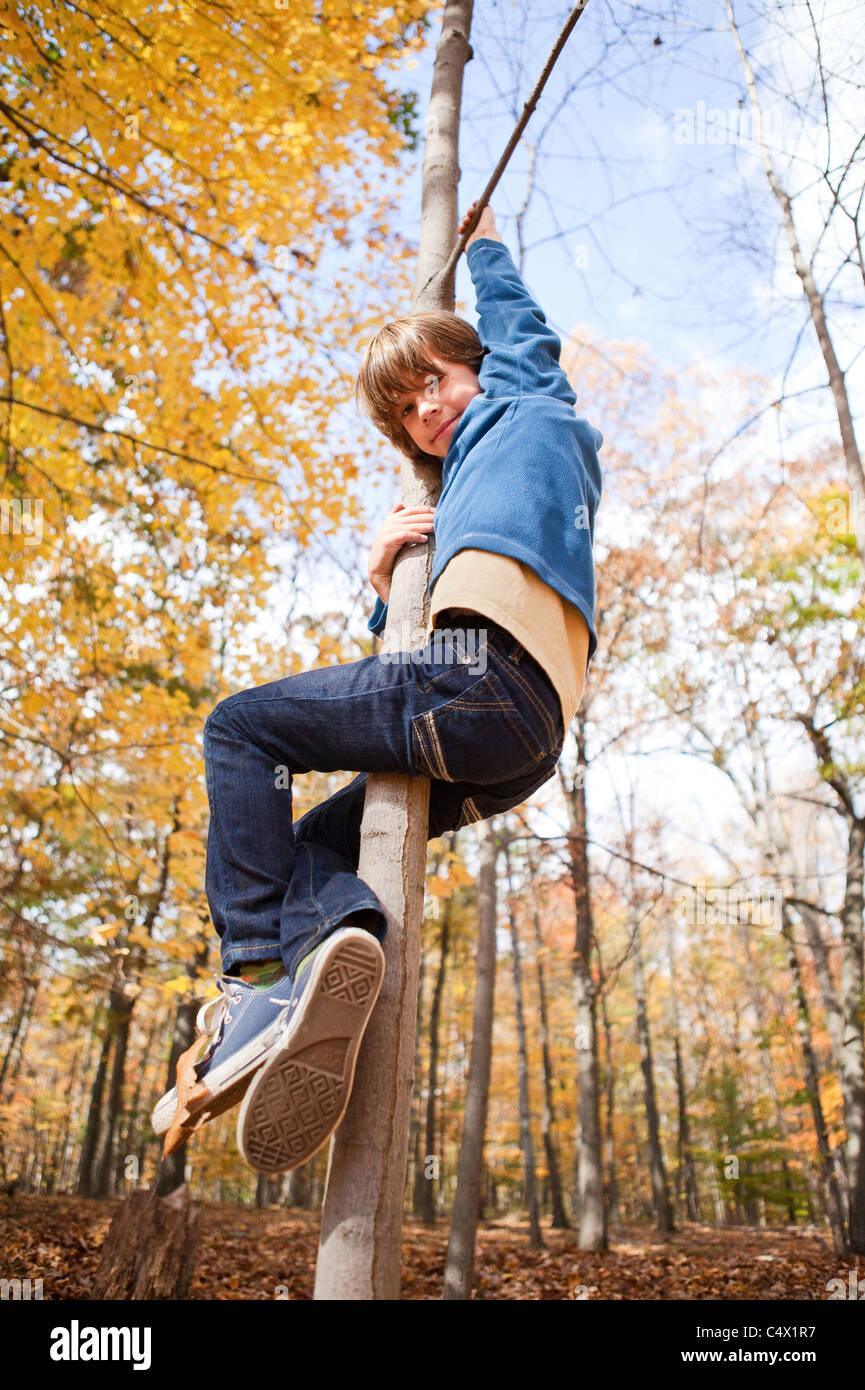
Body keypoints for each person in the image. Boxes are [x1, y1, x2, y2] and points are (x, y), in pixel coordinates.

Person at [151, 203, 603, 1175]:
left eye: (434, 382)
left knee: (241, 731)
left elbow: (523, 329)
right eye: (406, 409)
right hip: (511, 745)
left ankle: (260, 979)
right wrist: (380, 585)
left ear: (474, 367)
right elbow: (394, 664)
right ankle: (333, 949)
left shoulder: (522, 408)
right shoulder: (450, 512)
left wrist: (483, 246)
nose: (427, 410)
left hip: (479, 684)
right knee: (309, 839)